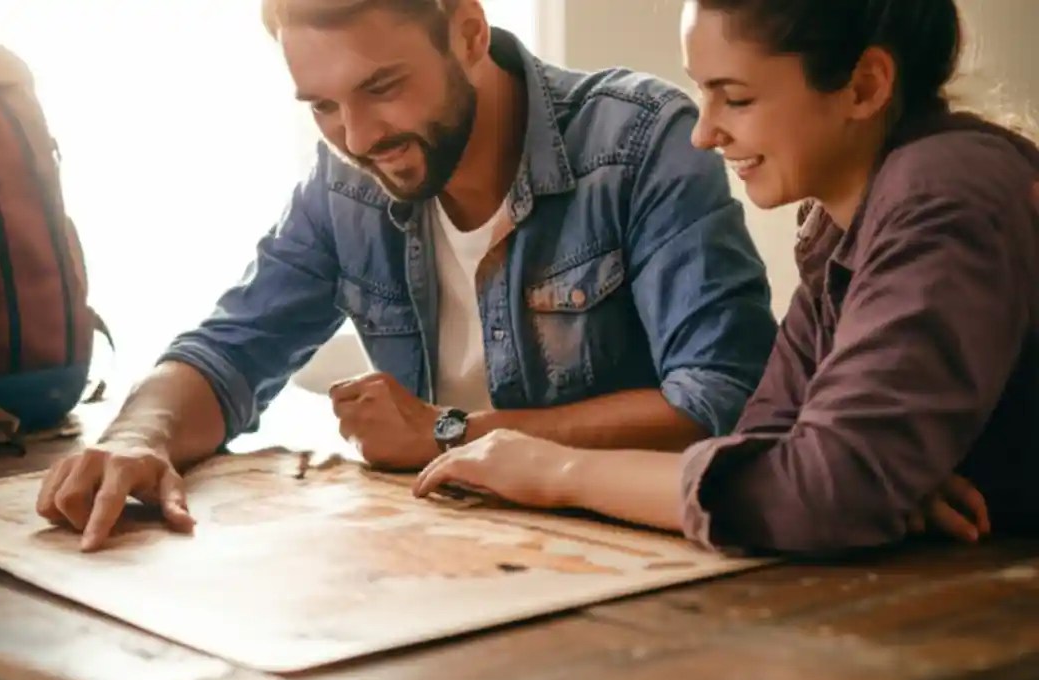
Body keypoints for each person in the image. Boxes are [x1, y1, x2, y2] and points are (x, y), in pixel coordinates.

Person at [36, 0, 778, 551]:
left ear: (468, 31)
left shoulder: (641, 142)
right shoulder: (345, 182)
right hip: (444, 565)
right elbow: (230, 352)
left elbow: (722, 400)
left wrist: (452, 432)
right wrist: (138, 435)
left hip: (647, 569)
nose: (358, 138)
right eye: (324, 106)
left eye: (382, 86)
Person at [416, 0, 1039, 554]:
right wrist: (869, 483)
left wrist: (558, 473)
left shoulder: (943, 194)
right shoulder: (838, 226)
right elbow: (767, 443)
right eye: (703, 93)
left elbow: (820, 490)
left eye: (735, 97)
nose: (704, 131)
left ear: (864, 86)